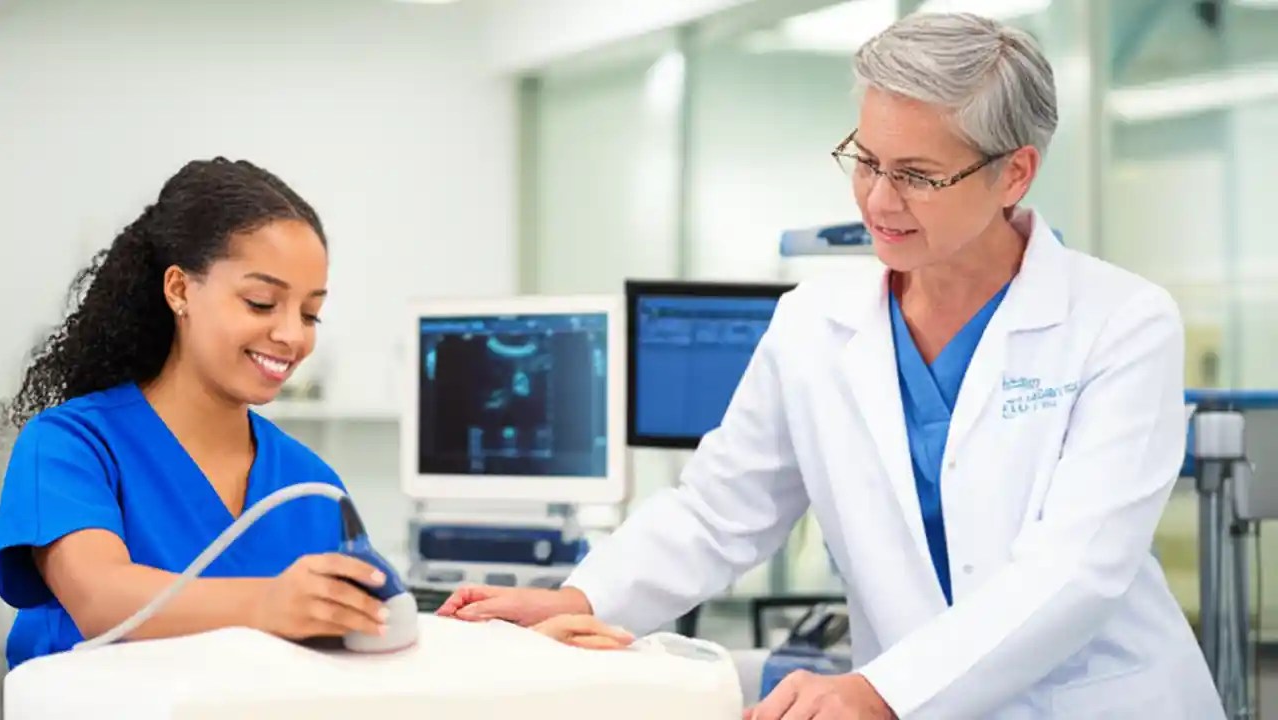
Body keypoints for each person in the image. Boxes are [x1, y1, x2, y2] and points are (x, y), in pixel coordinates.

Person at [438, 13, 1226, 720]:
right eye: (865, 160)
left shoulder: (1121, 322)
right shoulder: (816, 321)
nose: (879, 200)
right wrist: (576, 599)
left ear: (1013, 174)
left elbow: (1074, 572)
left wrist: (878, 692)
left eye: (917, 175)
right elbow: (719, 511)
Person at [0, 158, 630, 670]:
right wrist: (268, 602)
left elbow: (390, 641)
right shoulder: (72, 445)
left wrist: (522, 651)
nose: (291, 336)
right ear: (179, 289)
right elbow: (101, 599)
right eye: (261, 301)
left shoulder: (310, 486)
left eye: (309, 313)